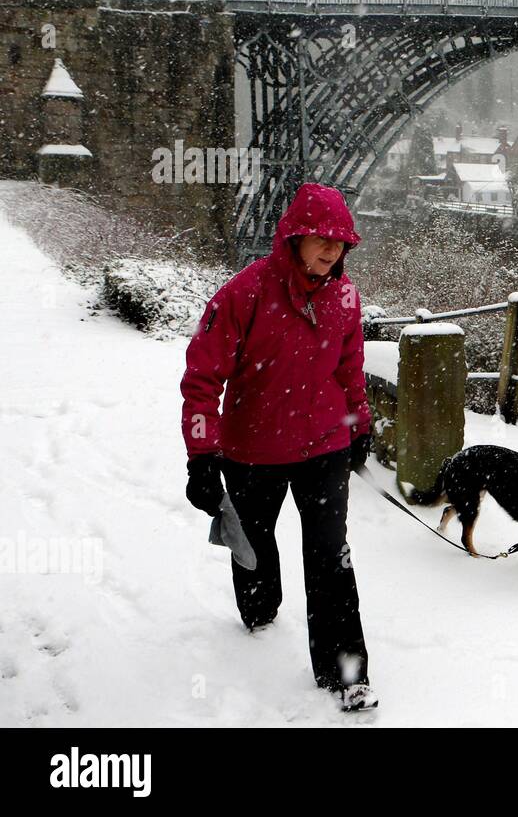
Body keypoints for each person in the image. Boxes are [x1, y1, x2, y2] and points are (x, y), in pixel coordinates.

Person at [179, 182, 377, 713]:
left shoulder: (345, 297)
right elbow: (202, 379)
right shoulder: (243, 293)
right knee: (255, 548)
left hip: (324, 449)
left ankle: (346, 671)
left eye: (341, 243)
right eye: (322, 239)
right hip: (252, 454)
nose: (332, 251)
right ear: (293, 237)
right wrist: (202, 456)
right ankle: (259, 613)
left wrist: (359, 426)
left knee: (331, 560)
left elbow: (350, 369)